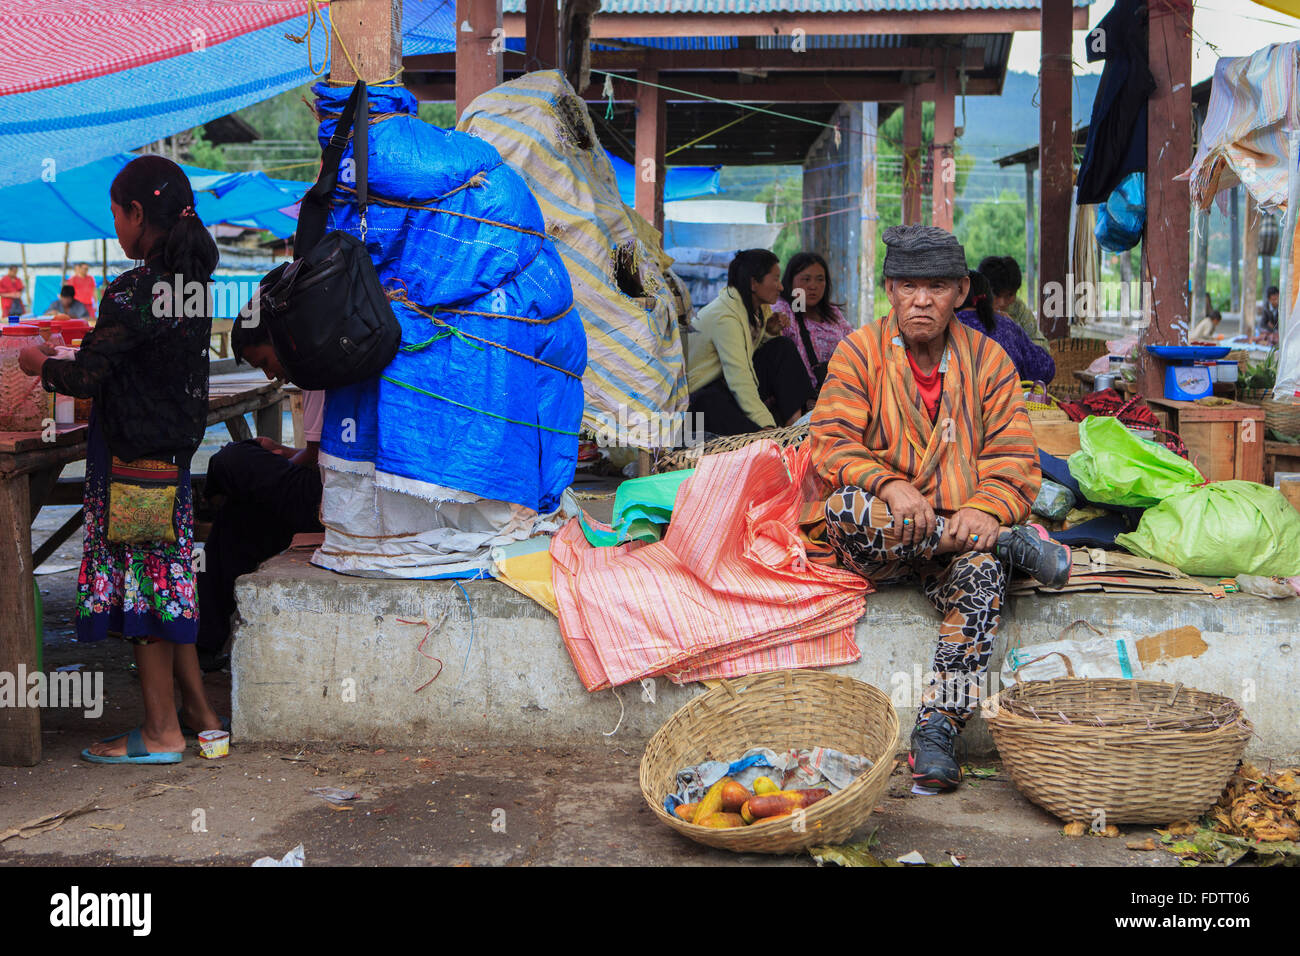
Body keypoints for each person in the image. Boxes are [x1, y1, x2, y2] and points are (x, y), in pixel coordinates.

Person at [805, 225, 1070, 793]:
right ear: (889, 289)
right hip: (885, 536)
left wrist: (989, 507)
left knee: (982, 575)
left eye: (937, 287)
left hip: (963, 537)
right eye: (907, 286)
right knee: (848, 509)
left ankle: (937, 734)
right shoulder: (860, 352)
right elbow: (829, 441)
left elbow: (1016, 458)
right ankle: (999, 541)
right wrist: (888, 484)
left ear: (961, 292)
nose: (921, 300)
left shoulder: (991, 361)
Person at [18, 154, 224, 763]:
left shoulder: (133, 289)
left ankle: (160, 732)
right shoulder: (191, 288)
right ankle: (202, 717)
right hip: (170, 464)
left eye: (115, 213)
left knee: (140, 592)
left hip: (132, 466)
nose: (115, 225)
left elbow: (86, 376)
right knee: (166, 586)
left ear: (137, 213)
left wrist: (38, 366)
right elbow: (137, 357)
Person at [196, 313, 325, 669]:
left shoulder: (318, 369)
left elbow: (315, 461)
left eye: (266, 362)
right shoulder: (319, 365)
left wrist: (273, 459)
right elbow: (314, 455)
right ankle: (204, 646)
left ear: (282, 340)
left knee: (231, 457)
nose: (270, 376)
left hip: (325, 497)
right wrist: (280, 453)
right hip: (320, 487)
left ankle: (209, 498)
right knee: (237, 520)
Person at [686, 249, 813, 436]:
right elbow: (740, 379)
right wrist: (769, 428)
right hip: (703, 397)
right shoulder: (725, 318)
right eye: (775, 279)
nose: (781, 287)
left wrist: (769, 332)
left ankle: (796, 427)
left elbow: (751, 354)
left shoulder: (760, 309)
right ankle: (780, 440)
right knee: (709, 401)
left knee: (782, 347)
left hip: (728, 385)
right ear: (754, 283)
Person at [771, 251, 854, 392]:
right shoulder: (783, 311)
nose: (813, 286)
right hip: (800, 398)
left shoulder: (832, 312)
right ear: (791, 281)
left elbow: (853, 345)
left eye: (820, 279)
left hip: (838, 391)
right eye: (806, 279)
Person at [956, 271, 1056, 383]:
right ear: (989, 296)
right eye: (998, 295)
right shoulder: (1007, 326)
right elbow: (1045, 368)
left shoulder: (945, 328)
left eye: (1009, 295)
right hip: (1007, 398)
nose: (1002, 303)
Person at [977, 255, 1047, 347]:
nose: (1002, 302)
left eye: (1009, 295)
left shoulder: (1018, 309)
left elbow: (1042, 346)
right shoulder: (971, 310)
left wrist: (1015, 331)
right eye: (996, 295)